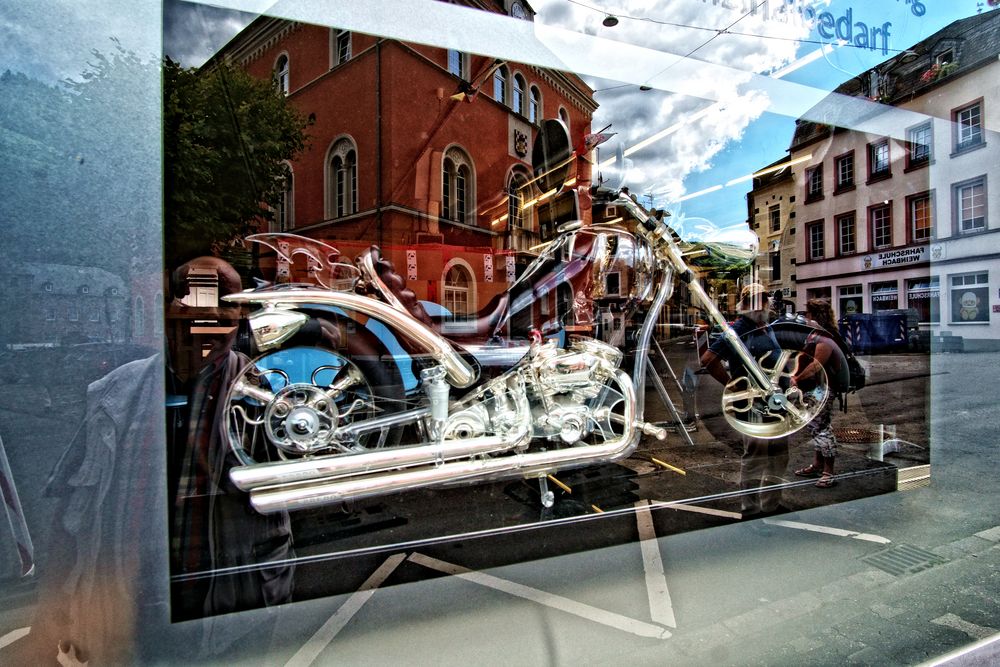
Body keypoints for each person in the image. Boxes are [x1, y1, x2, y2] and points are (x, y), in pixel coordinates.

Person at [700, 283, 789, 517]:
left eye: (762, 300)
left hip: (776, 403)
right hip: (753, 404)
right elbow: (708, 359)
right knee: (756, 456)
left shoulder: (765, 326)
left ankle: (771, 503)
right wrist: (733, 384)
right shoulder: (739, 329)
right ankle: (750, 508)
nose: (759, 305)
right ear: (745, 305)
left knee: (779, 454)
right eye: (753, 301)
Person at [792, 298, 842, 488]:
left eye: (808, 313)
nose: (805, 317)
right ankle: (818, 464)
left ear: (815, 315)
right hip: (814, 388)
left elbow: (816, 366)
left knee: (821, 427)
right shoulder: (818, 334)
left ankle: (828, 472)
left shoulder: (825, 338)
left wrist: (797, 378)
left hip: (822, 388)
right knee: (815, 427)